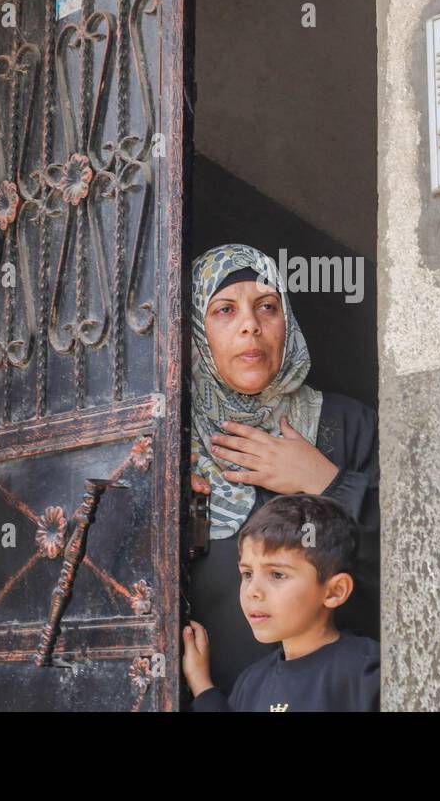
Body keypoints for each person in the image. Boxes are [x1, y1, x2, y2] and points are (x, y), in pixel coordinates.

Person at [185, 242, 380, 696]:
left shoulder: (347, 424)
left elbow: (416, 564)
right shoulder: (169, 446)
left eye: (267, 307)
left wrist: (326, 482)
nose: (250, 325)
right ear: (196, 329)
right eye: (225, 310)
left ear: (286, 323)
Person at [182, 494, 380, 711]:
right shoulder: (251, 684)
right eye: (247, 574)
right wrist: (201, 686)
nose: (253, 591)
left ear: (334, 591)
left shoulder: (367, 673)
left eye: (277, 575)